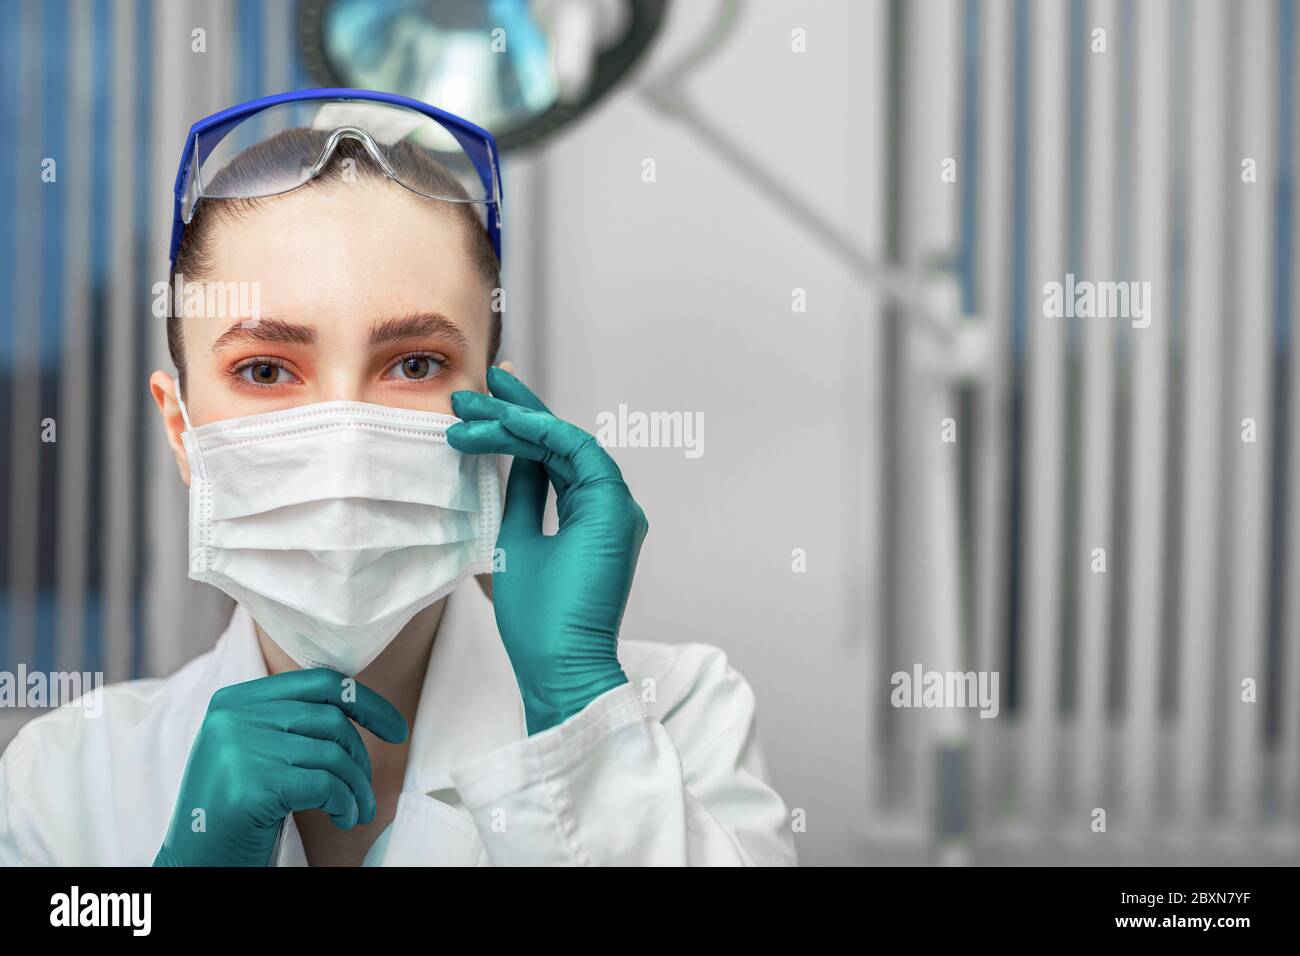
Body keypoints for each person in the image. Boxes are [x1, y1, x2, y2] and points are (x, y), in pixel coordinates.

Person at [0, 91, 795, 866]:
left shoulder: (681, 714)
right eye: (268, 368)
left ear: (499, 415)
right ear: (182, 430)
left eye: (413, 364)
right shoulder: (66, 776)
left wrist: (576, 711)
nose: (344, 434)